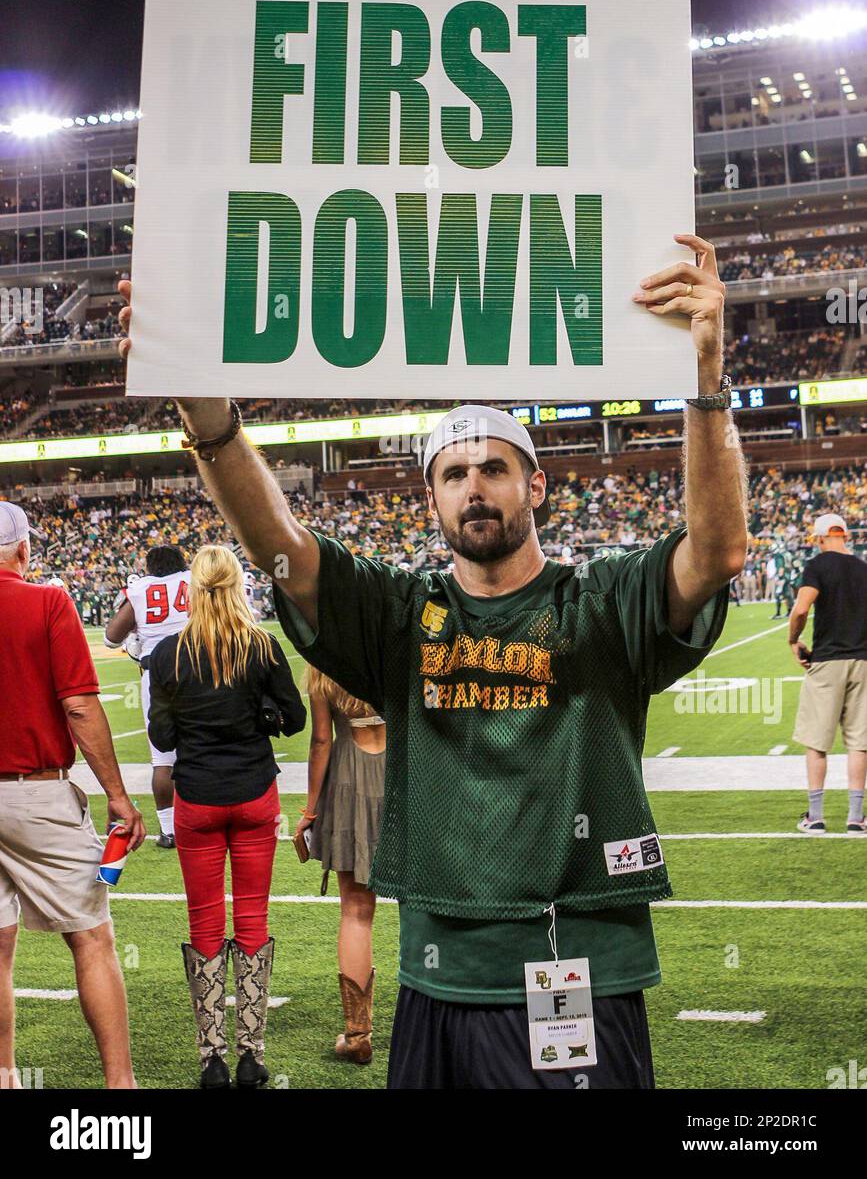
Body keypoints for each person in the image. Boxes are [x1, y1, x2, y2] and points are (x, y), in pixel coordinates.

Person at [118, 234, 748, 1089]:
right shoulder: (398, 616)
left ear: (536, 487)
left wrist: (705, 377)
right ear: (431, 498)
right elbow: (282, 548)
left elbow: (715, 553)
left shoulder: (604, 603)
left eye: (494, 467)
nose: (474, 486)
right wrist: (205, 410)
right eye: (453, 473)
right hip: (435, 971)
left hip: (577, 965)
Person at [146, 545, 306, 1088]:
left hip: (198, 800)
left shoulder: (169, 653)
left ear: (192, 589)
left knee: (205, 922)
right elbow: (294, 718)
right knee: (254, 919)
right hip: (255, 794)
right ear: (239, 586)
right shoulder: (260, 646)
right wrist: (260, 716)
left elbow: (161, 736)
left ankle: (211, 1058)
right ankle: (250, 1056)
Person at [0, 500, 146, 1089]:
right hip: (36, 794)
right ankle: (120, 1088)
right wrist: (118, 795)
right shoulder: (48, 600)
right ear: (24, 551)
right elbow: (80, 705)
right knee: (91, 939)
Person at [296, 668, 384, 1064]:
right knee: (422, 905)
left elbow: (320, 741)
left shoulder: (322, 661)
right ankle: (440, 1019)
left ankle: (357, 1032)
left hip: (350, 773)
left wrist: (310, 810)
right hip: (400, 772)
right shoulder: (391, 638)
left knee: (356, 910)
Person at [104, 546, 191, 849]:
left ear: (150, 567)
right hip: (199, 668)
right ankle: (203, 819)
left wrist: (137, 633)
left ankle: (168, 830)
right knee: (204, 742)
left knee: (162, 758)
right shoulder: (194, 580)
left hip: (156, 673)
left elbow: (110, 636)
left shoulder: (140, 588)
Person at [788, 514, 867, 837]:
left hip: (828, 658)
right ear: (845, 535)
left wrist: (794, 640)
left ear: (820, 538)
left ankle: (816, 817)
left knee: (817, 741)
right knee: (859, 743)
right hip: (863, 660)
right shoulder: (863, 568)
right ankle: (856, 817)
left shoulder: (817, 565)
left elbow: (802, 608)